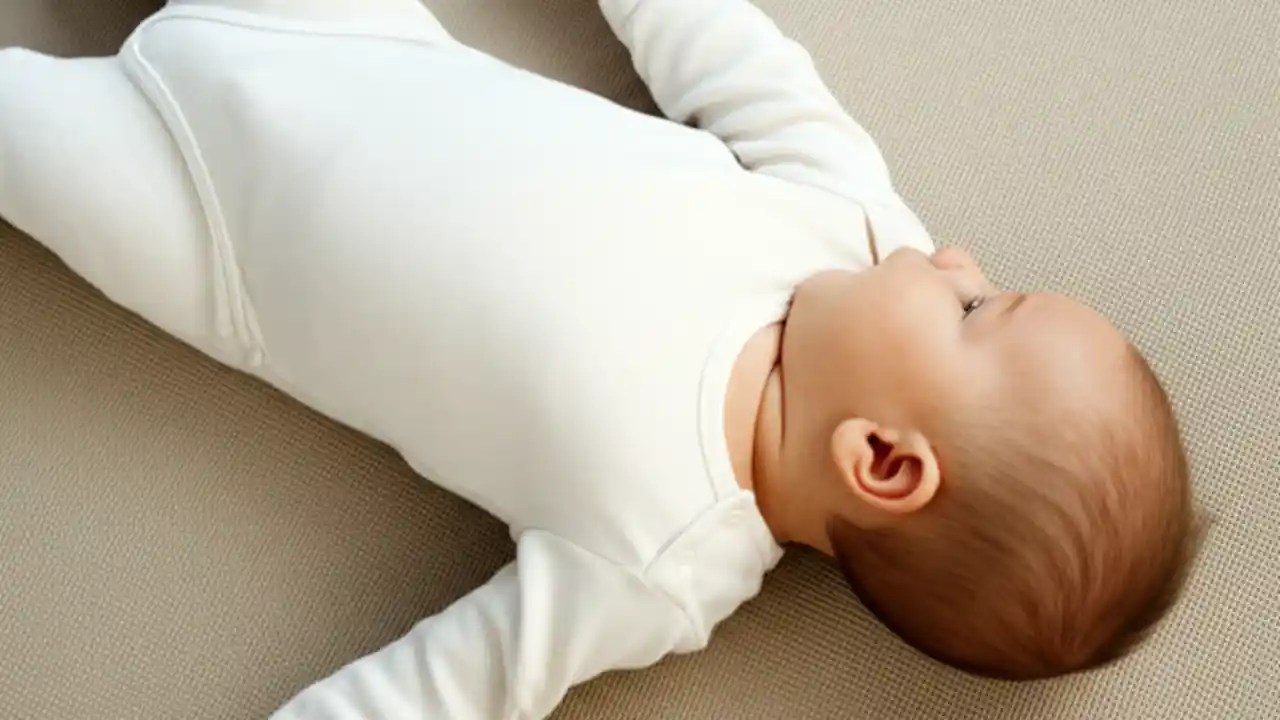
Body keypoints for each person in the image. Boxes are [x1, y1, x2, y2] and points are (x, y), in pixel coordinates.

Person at [0, 0, 1196, 717]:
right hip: (341, 26)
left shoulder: (659, 560)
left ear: (882, 461)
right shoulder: (856, 223)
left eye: (978, 309)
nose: (955, 256)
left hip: (201, 223)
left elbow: (447, 691)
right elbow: (720, 48)